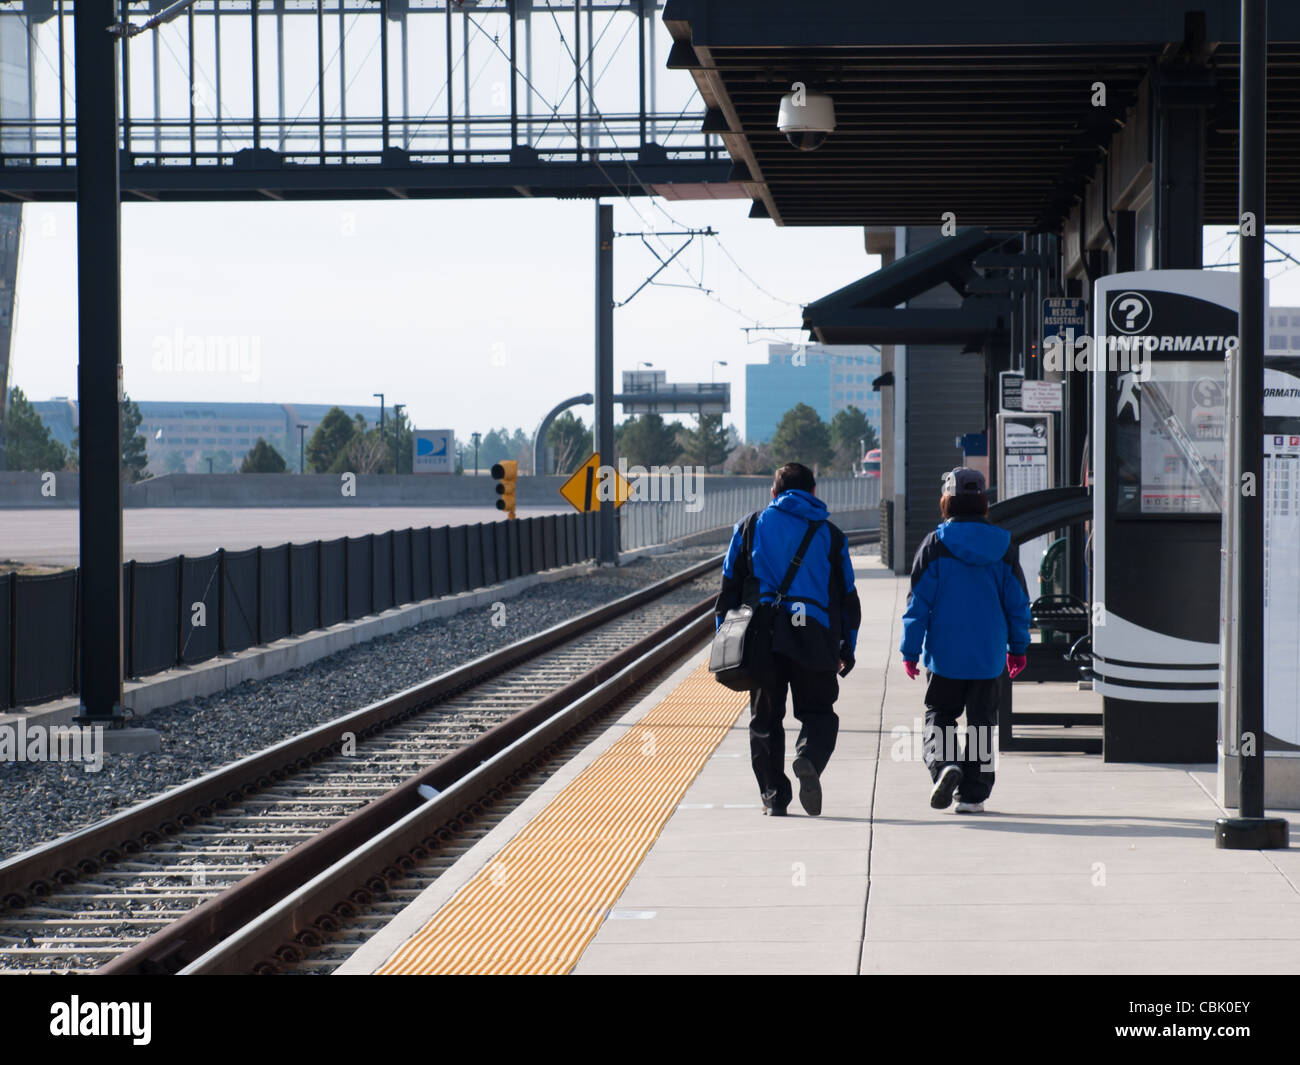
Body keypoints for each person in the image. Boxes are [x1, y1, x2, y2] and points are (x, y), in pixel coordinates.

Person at [715, 463, 861, 817]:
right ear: (813, 492)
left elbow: (729, 585)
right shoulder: (831, 534)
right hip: (814, 631)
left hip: (763, 634)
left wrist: (724, 636)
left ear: (773, 493)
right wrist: (846, 646)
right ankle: (808, 756)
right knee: (819, 712)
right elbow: (847, 596)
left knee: (765, 719)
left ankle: (774, 797)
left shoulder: (750, 526)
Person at [900, 467, 1031, 813]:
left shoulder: (934, 545)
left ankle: (945, 766)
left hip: (944, 654)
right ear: (983, 502)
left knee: (940, 714)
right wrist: (1018, 648)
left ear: (947, 501)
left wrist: (909, 650)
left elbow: (917, 605)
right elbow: (1017, 603)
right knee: (983, 722)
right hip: (988, 654)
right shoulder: (1003, 545)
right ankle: (973, 795)